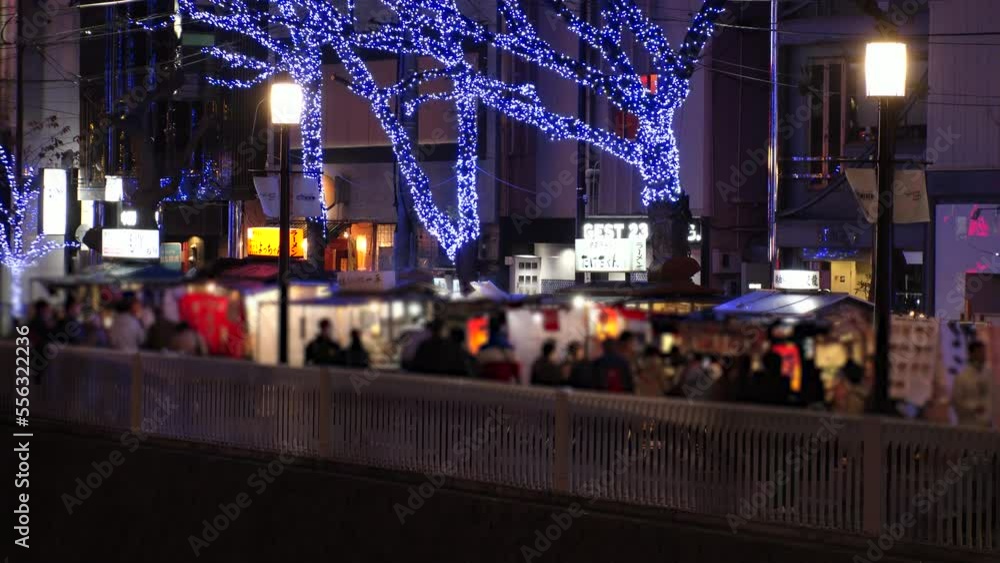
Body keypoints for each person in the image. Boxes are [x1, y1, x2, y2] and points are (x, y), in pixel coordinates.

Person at [951, 341, 994, 428]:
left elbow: (992, 397)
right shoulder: (962, 377)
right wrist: (974, 408)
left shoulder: (989, 374)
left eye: (983, 352)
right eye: (979, 352)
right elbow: (956, 402)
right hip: (969, 424)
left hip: (986, 423)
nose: (982, 355)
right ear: (971, 354)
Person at [477, 317, 520, 384]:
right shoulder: (508, 346)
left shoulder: (483, 348)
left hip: (488, 382)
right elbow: (514, 365)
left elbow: (479, 365)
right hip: (504, 381)